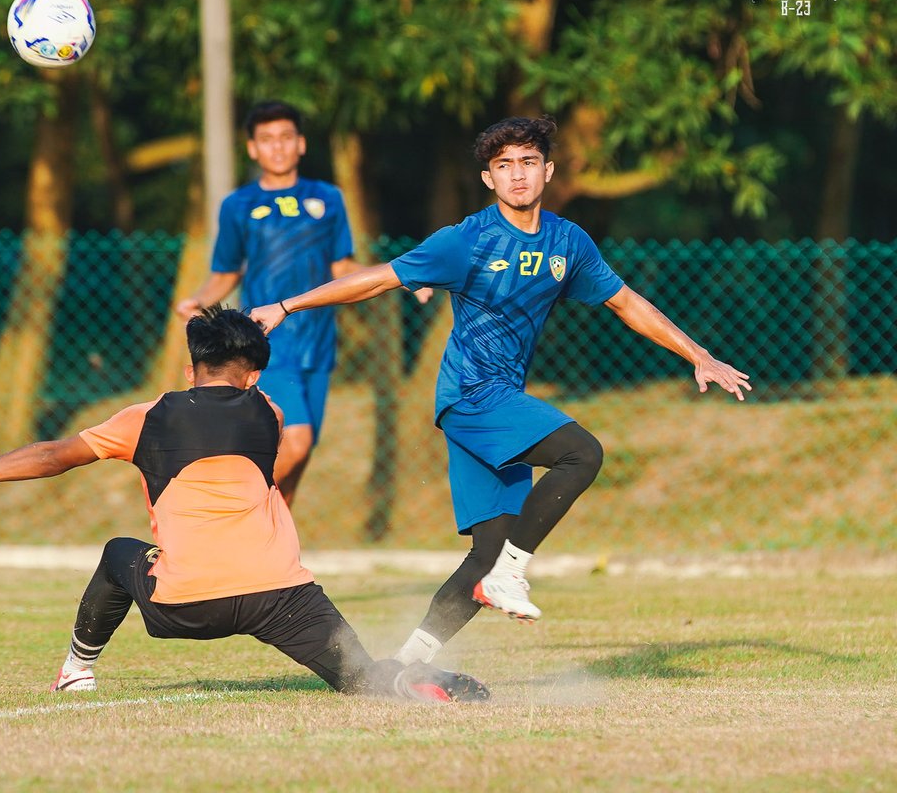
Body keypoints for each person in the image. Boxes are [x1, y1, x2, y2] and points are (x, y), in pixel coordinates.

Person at [250, 115, 751, 667]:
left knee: (486, 554)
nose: (517, 175)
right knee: (582, 452)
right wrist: (286, 305)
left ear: (548, 172)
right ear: (489, 179)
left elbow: (626, 303)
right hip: (470, 395)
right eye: (504, 165)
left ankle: (401, 667)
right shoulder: (467, 239)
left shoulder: (567, 241)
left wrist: (699, 355)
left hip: (494, 399)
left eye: (528, 163)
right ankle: (513, 574)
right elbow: (377, 280)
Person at [0, 305, 489, 703]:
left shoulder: (145, 418)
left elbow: (55, 455)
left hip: (187, 606)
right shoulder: (271, 413)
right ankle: (414, 683)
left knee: (119, 552)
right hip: (280, 595)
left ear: (190, 366)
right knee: (361, 678)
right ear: (253, 375)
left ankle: (77, 669)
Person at [174, 100, 358, 507]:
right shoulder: (238, 205)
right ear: (253, 149)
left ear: (302, 144)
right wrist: (198, 301)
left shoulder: (327, 198)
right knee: (296, 439)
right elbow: (226, 272)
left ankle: (274, 563)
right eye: (267, 140)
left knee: (295, 465)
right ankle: (221, 511)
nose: (278, 147)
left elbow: (343, 265)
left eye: (286, 138)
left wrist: (402, 278)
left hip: (319, 342)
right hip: (267, 342)